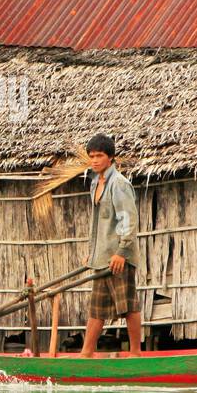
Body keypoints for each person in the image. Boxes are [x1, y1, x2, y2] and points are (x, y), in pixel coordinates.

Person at [81, 133, 141, 357]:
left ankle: (136, 353)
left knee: (128, 306)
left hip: (118, 258)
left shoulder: (119, 184)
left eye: (99, 156)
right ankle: (86, 355)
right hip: (102, 258)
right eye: (92, 156)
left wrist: (122, 252)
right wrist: (92, 253)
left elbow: (128, 219)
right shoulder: (95, 182)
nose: (95, 160)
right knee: (97, 310)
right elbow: (99, 224)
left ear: (111, 157)